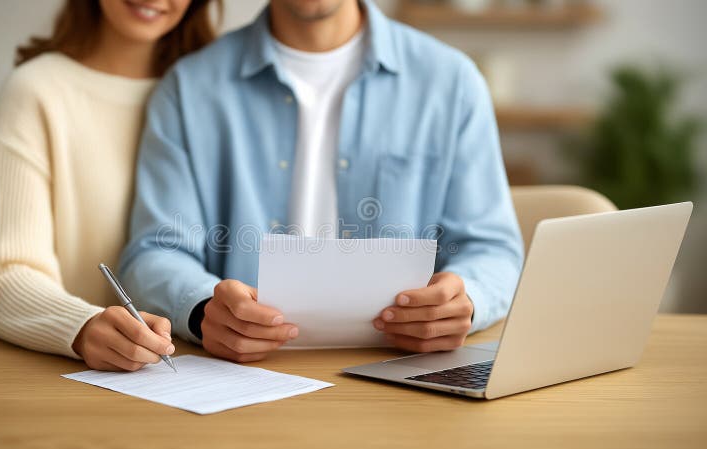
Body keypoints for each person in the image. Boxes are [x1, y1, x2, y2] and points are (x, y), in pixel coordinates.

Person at [120, 0, 524, 362]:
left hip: (403, 368)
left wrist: (466, 299)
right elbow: (156, 251)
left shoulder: (450, 82)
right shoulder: (188, 88)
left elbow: (491, 248)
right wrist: (203, 307)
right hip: (246, 375)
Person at [0, 0, 220, 371]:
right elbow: (2, 273)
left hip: (203, 369)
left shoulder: (216, 94)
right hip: (72, 373)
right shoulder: (38, 91)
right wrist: (79, 325)